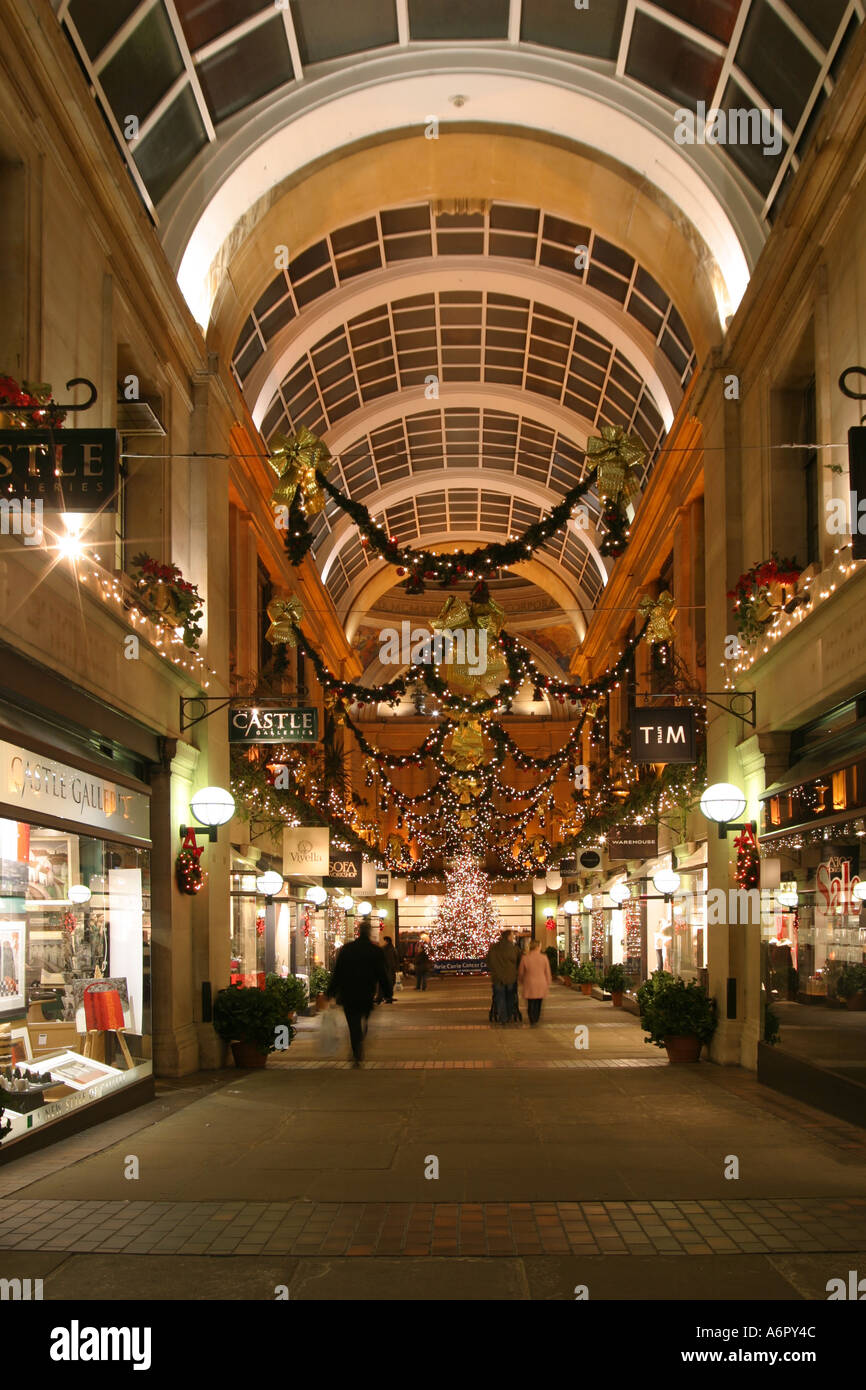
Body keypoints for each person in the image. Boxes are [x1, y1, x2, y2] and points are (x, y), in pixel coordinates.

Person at [327, 919, 393, 1066]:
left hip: (348, 992)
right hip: (366, 992)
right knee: (364, 1018)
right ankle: (359, 1043)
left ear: (358, 932)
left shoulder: (347, 949)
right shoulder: (375, 951)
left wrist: (331, 991)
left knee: (353, 1022)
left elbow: (338, 972)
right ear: (369, 932)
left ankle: (356, 1047)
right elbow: (382, 973)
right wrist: (388, 992)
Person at [486, 928, 520, 1024]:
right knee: (510, 997)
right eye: (512, 936)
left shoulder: (493, 948)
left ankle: (503, 1017)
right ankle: (508, 1016)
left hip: (497, 978)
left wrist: (495, 971)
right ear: (509, 937)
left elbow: (488, 961)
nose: (513, 937)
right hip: (510, 978)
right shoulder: (514, 949)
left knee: (500, 997)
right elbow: (519, 961)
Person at [518, 939, 552, 1026]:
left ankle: (531, 1017)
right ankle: (536, 1017)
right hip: (541, 982)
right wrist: (548, 982)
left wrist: (521, 980)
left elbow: (521, 972)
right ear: (537, 947)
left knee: (530, 1002)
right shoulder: (544, 958)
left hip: (529, 982)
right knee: (539, 1002)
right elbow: (547, 971)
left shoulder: (525, 958)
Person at [380, 935, 398, 1004]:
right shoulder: (393, 949)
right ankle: (388, 997)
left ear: (386, 941)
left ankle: (385, 997)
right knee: (390, 983)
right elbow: (396, 959)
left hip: (386, 968)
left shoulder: (383, 949)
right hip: (391, 968)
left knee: (385, 983)